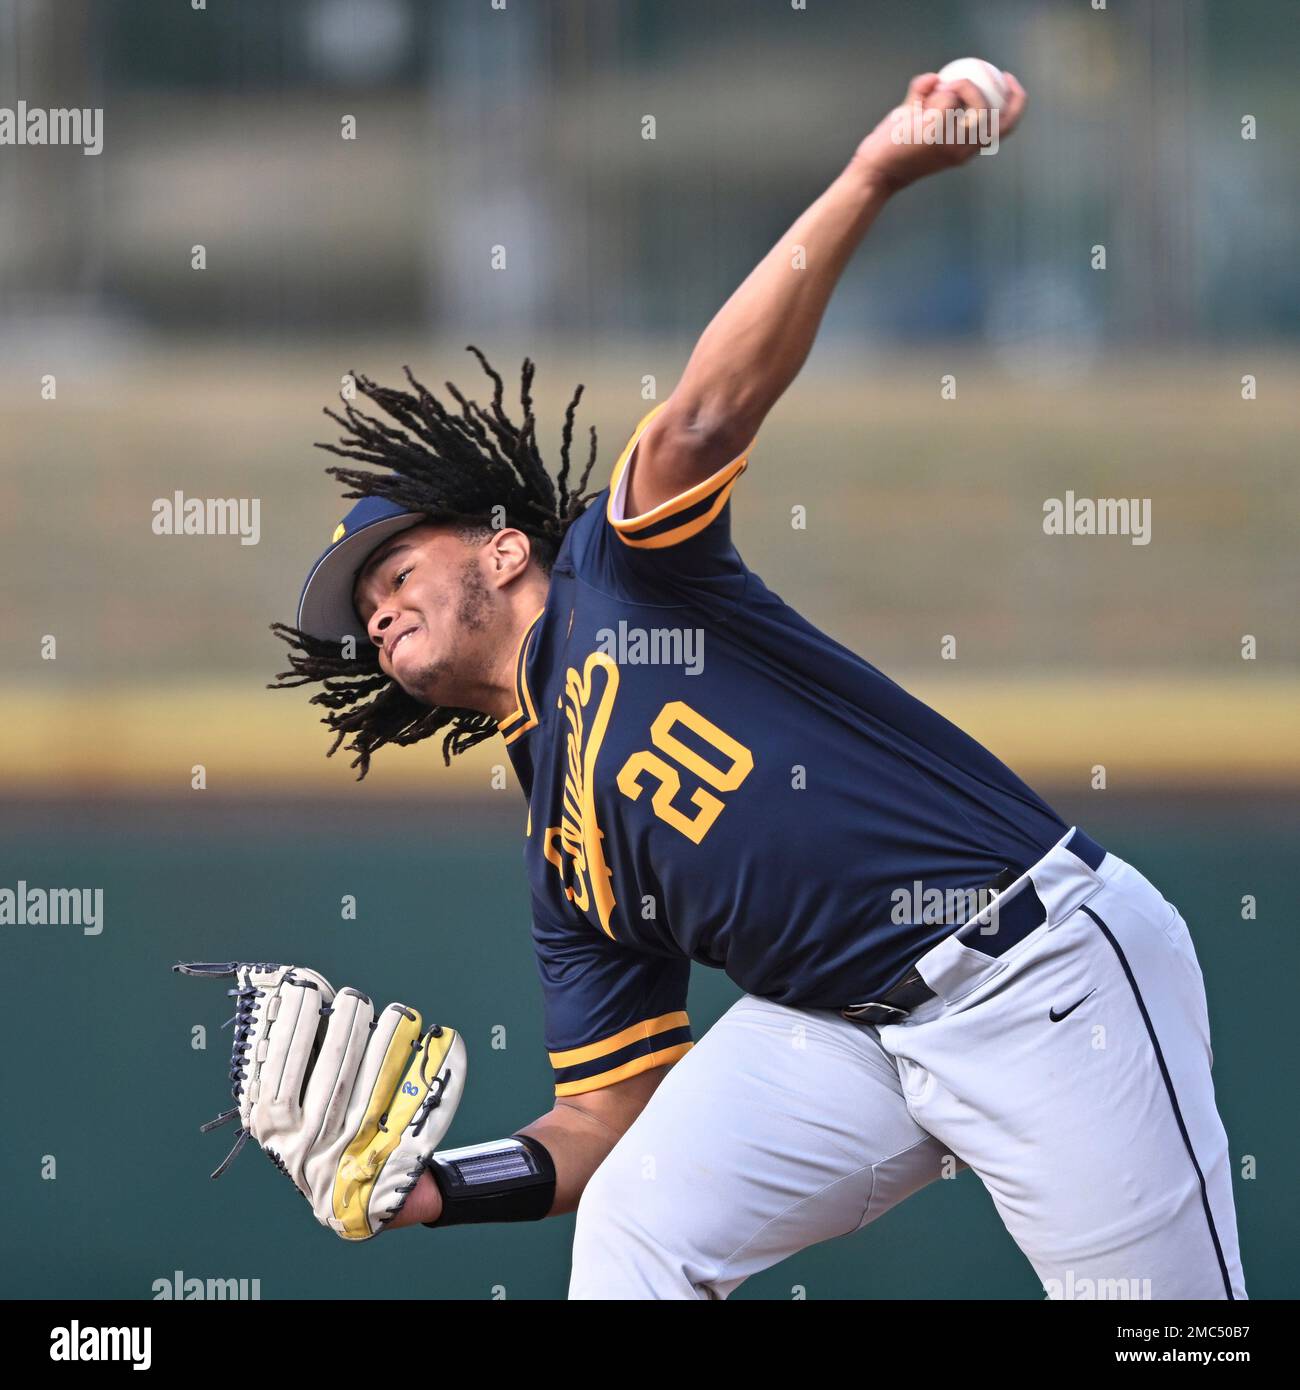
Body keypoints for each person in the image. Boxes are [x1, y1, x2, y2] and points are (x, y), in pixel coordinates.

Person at [271, 70, 1245, 1299]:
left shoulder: (619, 574)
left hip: (1036, 976)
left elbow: (707, 408)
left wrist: (873, 172)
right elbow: (604, 1116)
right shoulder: (559, 850)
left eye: (396, 568)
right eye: (365, 614)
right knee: (633, 1227)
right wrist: (437, 1189)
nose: (382, 610)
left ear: (505, 546)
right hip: (844, 1036)